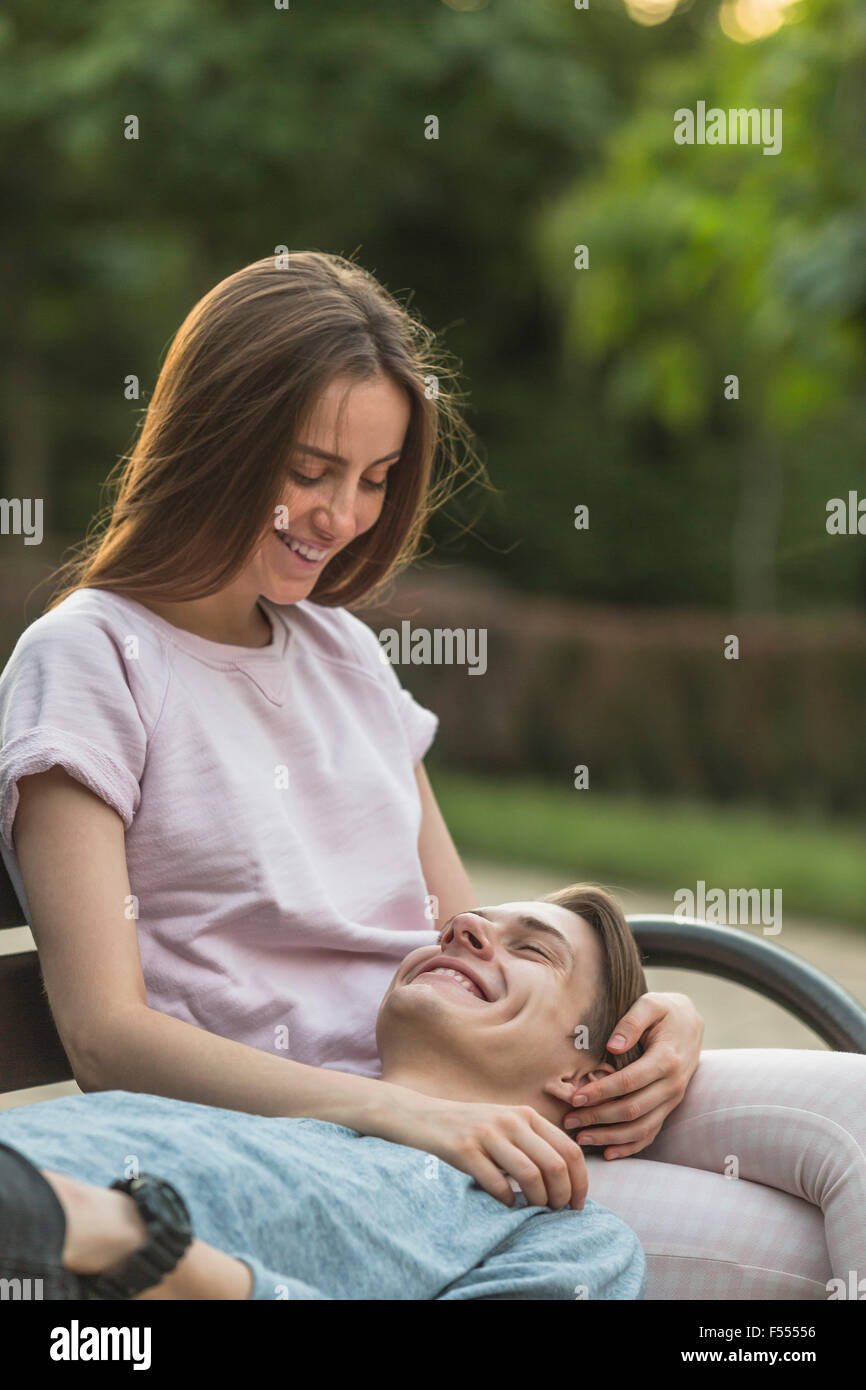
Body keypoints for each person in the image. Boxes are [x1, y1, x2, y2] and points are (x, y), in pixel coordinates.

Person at [1, 252, 864, 1298]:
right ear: (213, 437)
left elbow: (466, 926)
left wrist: (641, 1020)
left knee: (854, 1116)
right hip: (343, 1158)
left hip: (480, 1092)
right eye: (309, 470)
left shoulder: (341, 652)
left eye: (373, 479)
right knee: (808, 1263)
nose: (343, 517)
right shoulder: (90, 657)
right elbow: (106, 1036)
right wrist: (405, 1113)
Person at [0, 889, 648, 1301]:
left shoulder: (562, 1237)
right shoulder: (260, 1101)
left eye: (532, 948)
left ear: (585, 1079)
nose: (463, 930)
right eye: (459, 924)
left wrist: (145, 1251)